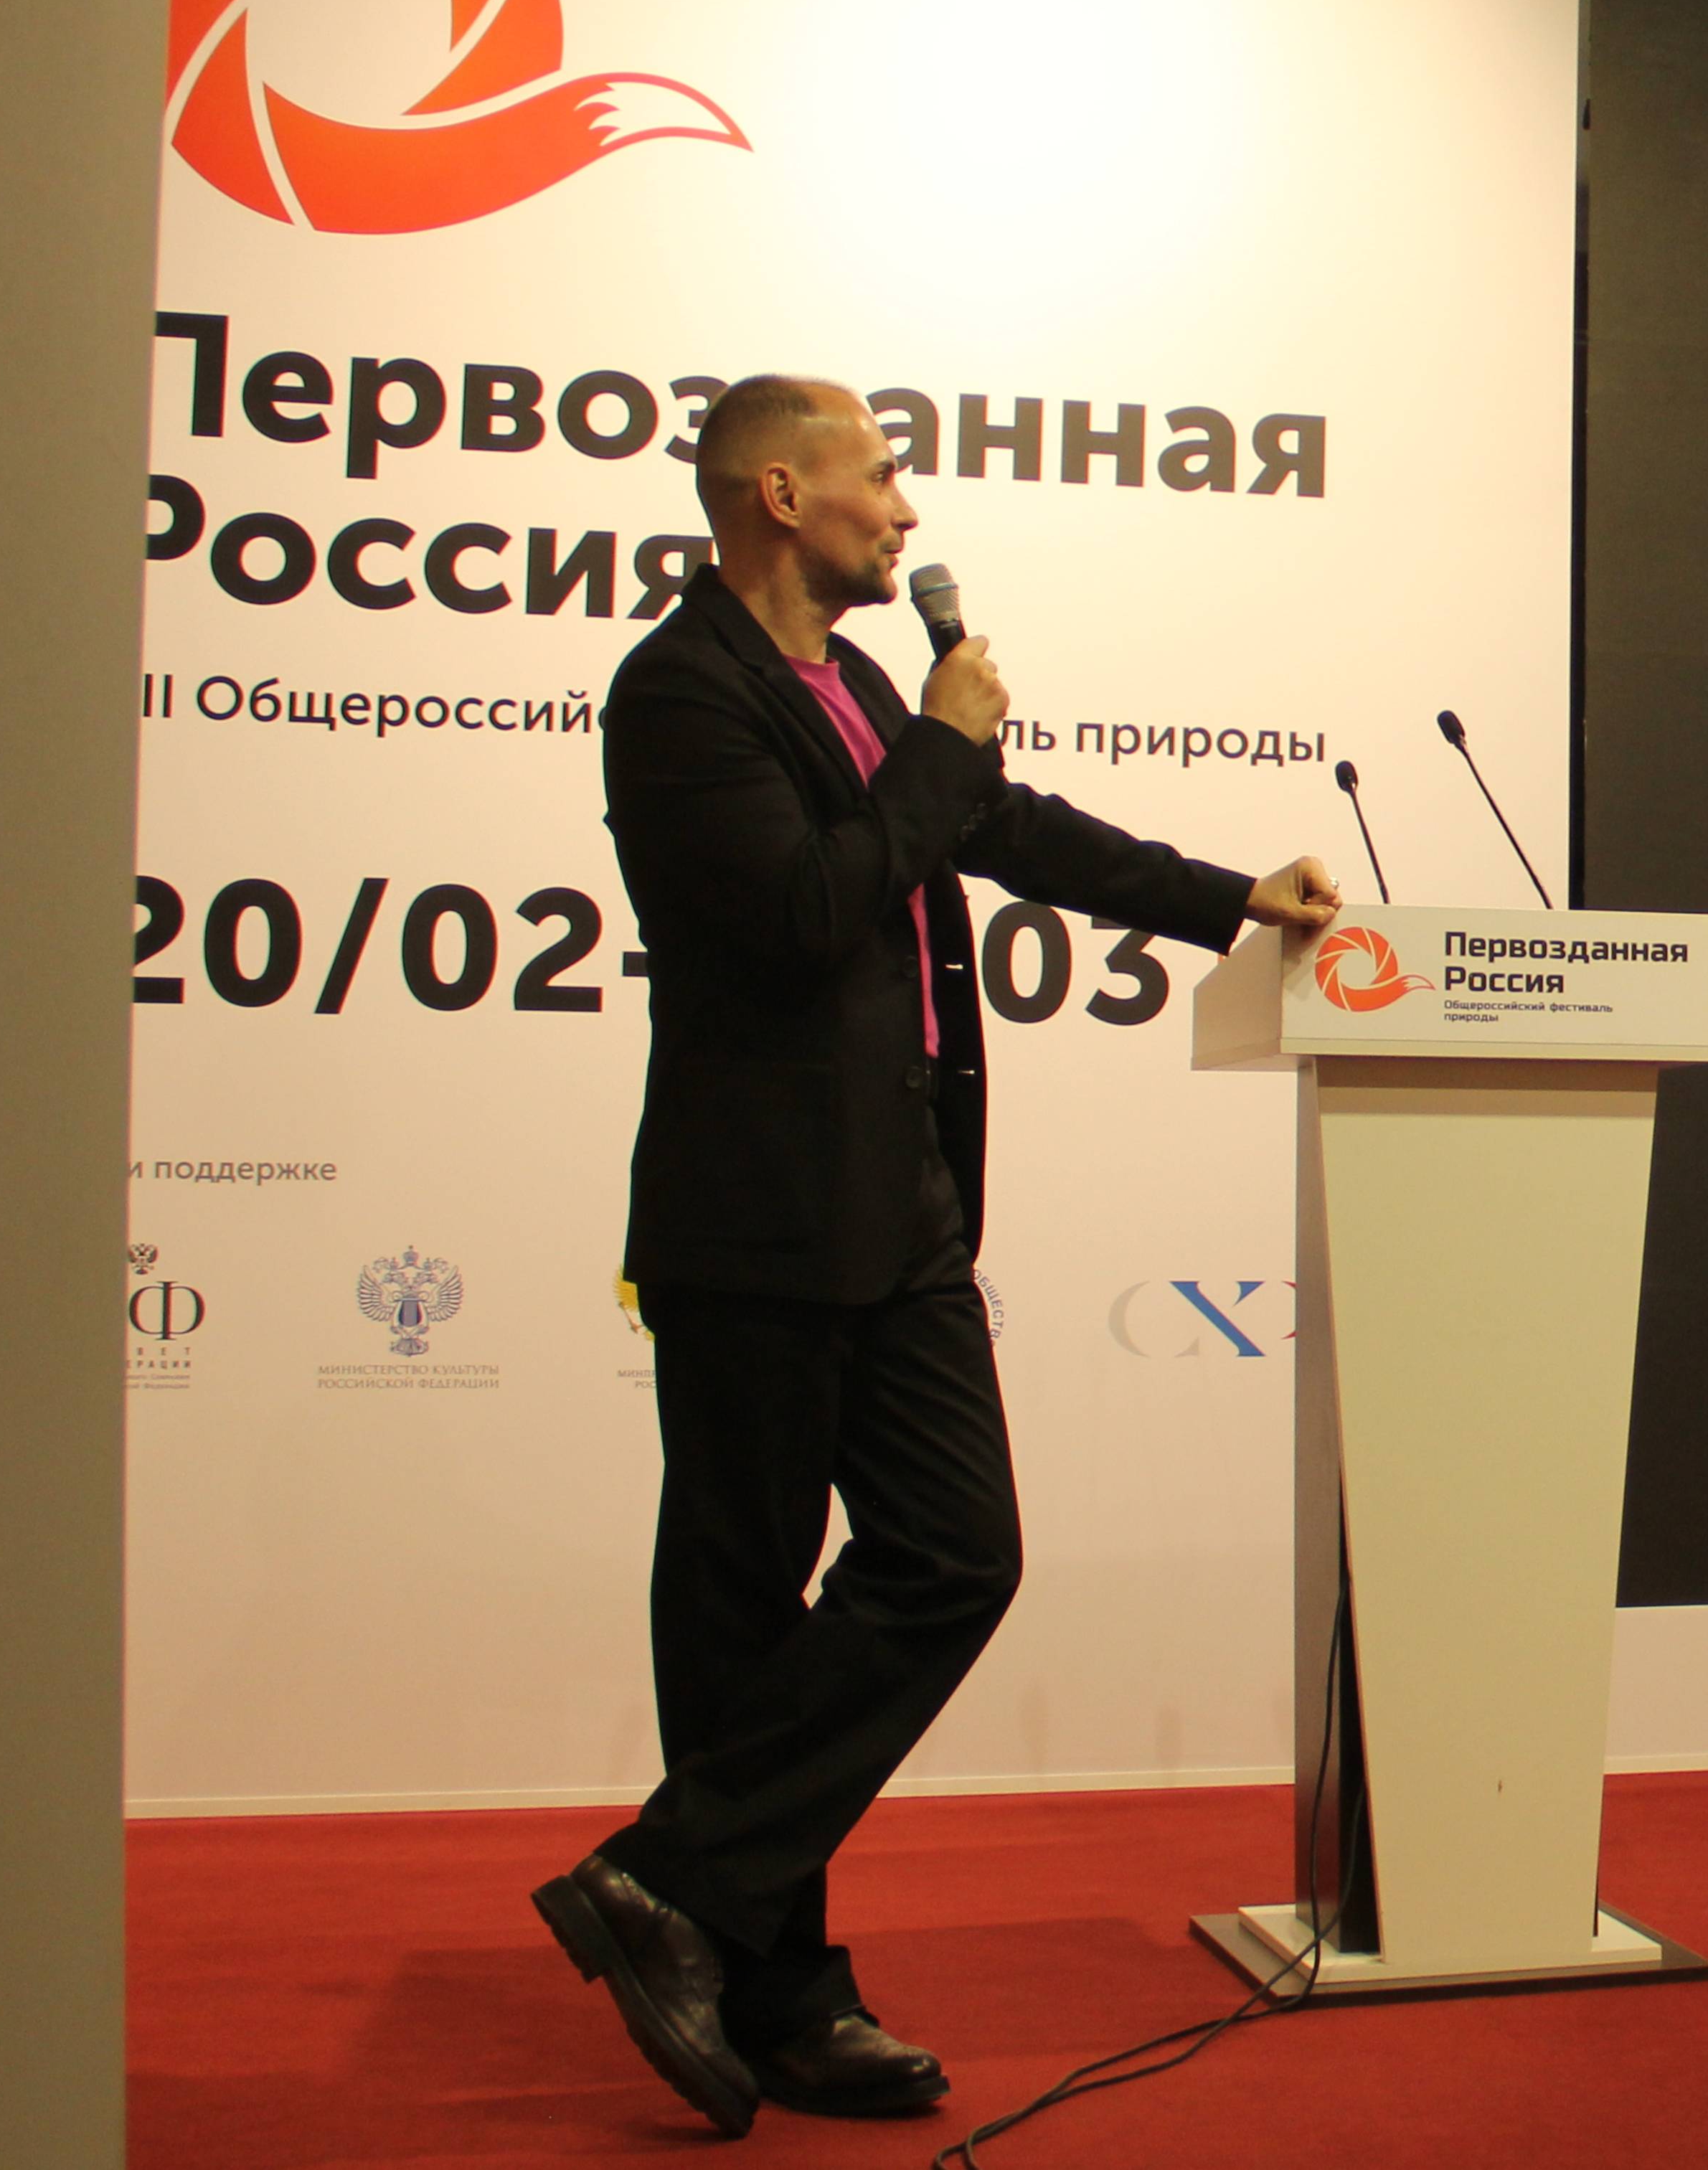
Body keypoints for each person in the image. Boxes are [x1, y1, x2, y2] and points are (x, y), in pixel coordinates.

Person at [530, 374, 1342, 2133]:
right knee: (740, 1608)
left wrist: (1225, 898)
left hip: (902, 1209)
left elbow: (998, 832)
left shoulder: (867, 689)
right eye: (876, 475)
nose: (906, 511)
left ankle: (668, 1879)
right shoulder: (679, 694)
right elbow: (805, 912)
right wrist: (944, 746)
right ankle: (783, 1987)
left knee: (957, 1553)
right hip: (754, 1223)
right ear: (773, 492)